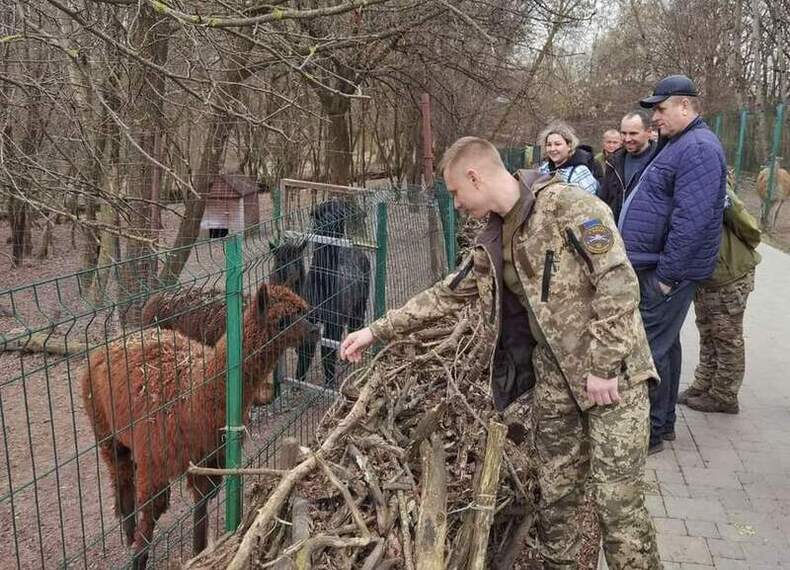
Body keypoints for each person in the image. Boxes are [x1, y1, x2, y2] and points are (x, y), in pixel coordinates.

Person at [340, 136, 660, 569]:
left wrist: (603, 366)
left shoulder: (570, 207)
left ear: (475, 177)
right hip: (555, 380)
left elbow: (618, 284)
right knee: (557, 495)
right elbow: (445, 296)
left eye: (456, 192)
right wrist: (374, 331)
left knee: (618, 506)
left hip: (613, 378)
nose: (456, 204)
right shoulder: (492, 238)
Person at [619, 74, 726, 453]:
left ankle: (646, 433)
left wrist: (666, 277)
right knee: (666, 347)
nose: (655, 118)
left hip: (667, 273)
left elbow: (692, 221)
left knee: (649, 348)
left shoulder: (698, 148)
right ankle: (662, 425)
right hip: (658, 266)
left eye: (661, 109)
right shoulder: (679, 142)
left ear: (684, 105)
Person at [680, 178, 761, 413]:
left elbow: (749, 228)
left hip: (729, 272)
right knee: (707, 331)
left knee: (726, 335)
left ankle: (725, 395)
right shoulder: (687, 178)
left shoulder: (716, 184)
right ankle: (704, 383)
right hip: (705, 273)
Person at [599, 110, 656, 223]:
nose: (627, 139)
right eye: (624, 133)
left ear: (648, 132)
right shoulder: (613, 162)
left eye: (633, 133)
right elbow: (603, 201)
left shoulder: (660, 161)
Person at [538, 121, 600, 195]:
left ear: (569, 146)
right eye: (549, 145)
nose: (552, 149)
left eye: (557, 144)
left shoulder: (580, 173)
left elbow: (590, 200)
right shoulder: (543, 169)